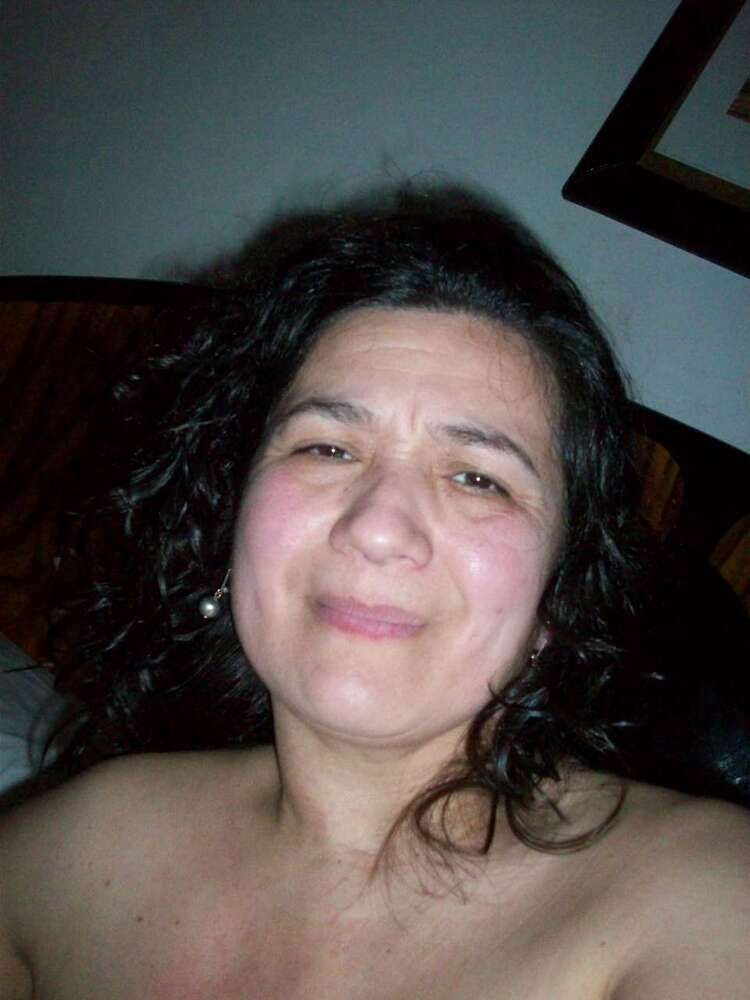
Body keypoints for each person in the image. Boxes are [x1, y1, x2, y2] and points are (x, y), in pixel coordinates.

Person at [1, 187, 748, 999]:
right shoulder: (62, 852)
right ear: (232, 519)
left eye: (478, 478)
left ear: (558, 597)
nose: (378, 527)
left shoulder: (707, 900)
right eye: (326, 447)